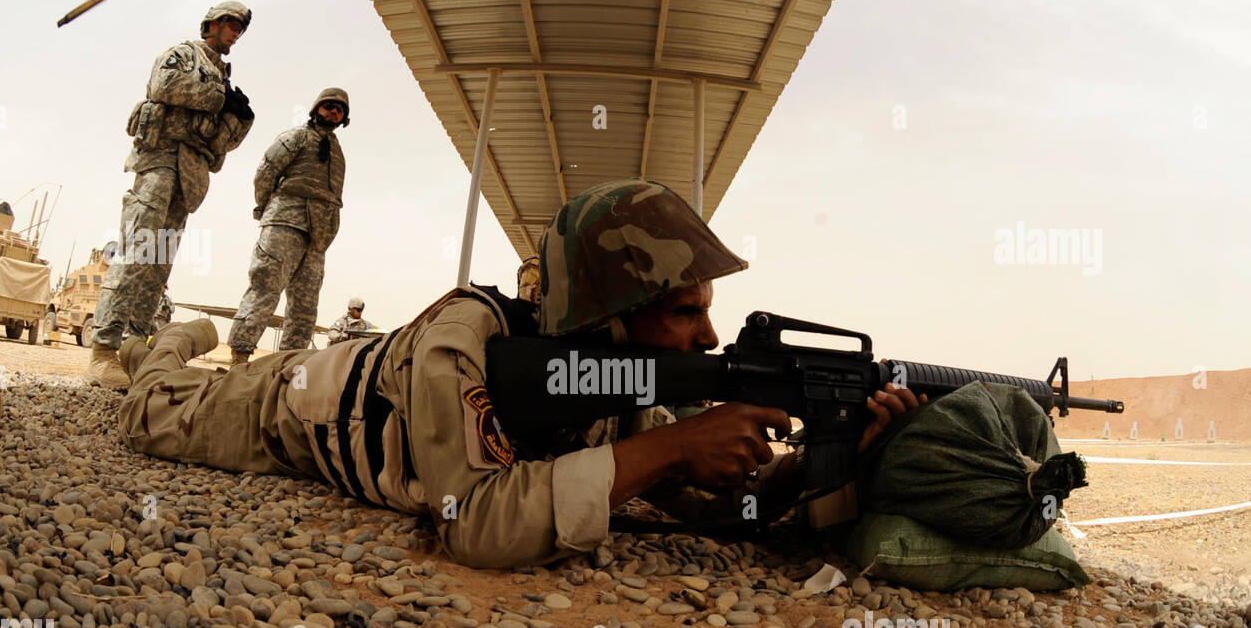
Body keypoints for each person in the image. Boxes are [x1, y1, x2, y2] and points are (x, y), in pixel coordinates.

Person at [114, 179, 921, 568]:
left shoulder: (618, 384)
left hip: (339, 384)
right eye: (682, 312)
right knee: (149, 412)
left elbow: (717, 499)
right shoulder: (462, 341)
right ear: (610, 316)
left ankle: (175, 344)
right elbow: (477, 524)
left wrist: (836, 458)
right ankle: (168, 341)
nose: (707, 335)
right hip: (289, 404)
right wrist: (676, 448)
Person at [84, 1, 255, 390]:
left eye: (240, 29)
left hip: (190, 174)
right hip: (161, 159)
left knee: (158, 267)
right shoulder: (183, 54)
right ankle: (102, 353)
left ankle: (133, 351)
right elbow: (163, 86)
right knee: (135, 252)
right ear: (211, 24)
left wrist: (238, 119)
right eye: (231, 24)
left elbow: (220, 141)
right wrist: (217, 98)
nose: (235, 33)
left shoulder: (223, 76)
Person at [227, 88, 350, 364]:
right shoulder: (295, 137)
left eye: (339, 109)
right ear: (316, 108)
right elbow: (266, 173)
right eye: (328, 105)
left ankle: (288, 366)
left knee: (305, 307)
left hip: (318, 237)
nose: (333, 111)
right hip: (285, 224)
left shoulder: (338, 153)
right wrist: (266, 208)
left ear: (344, 118)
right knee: (265, 288)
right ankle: (240, 357)